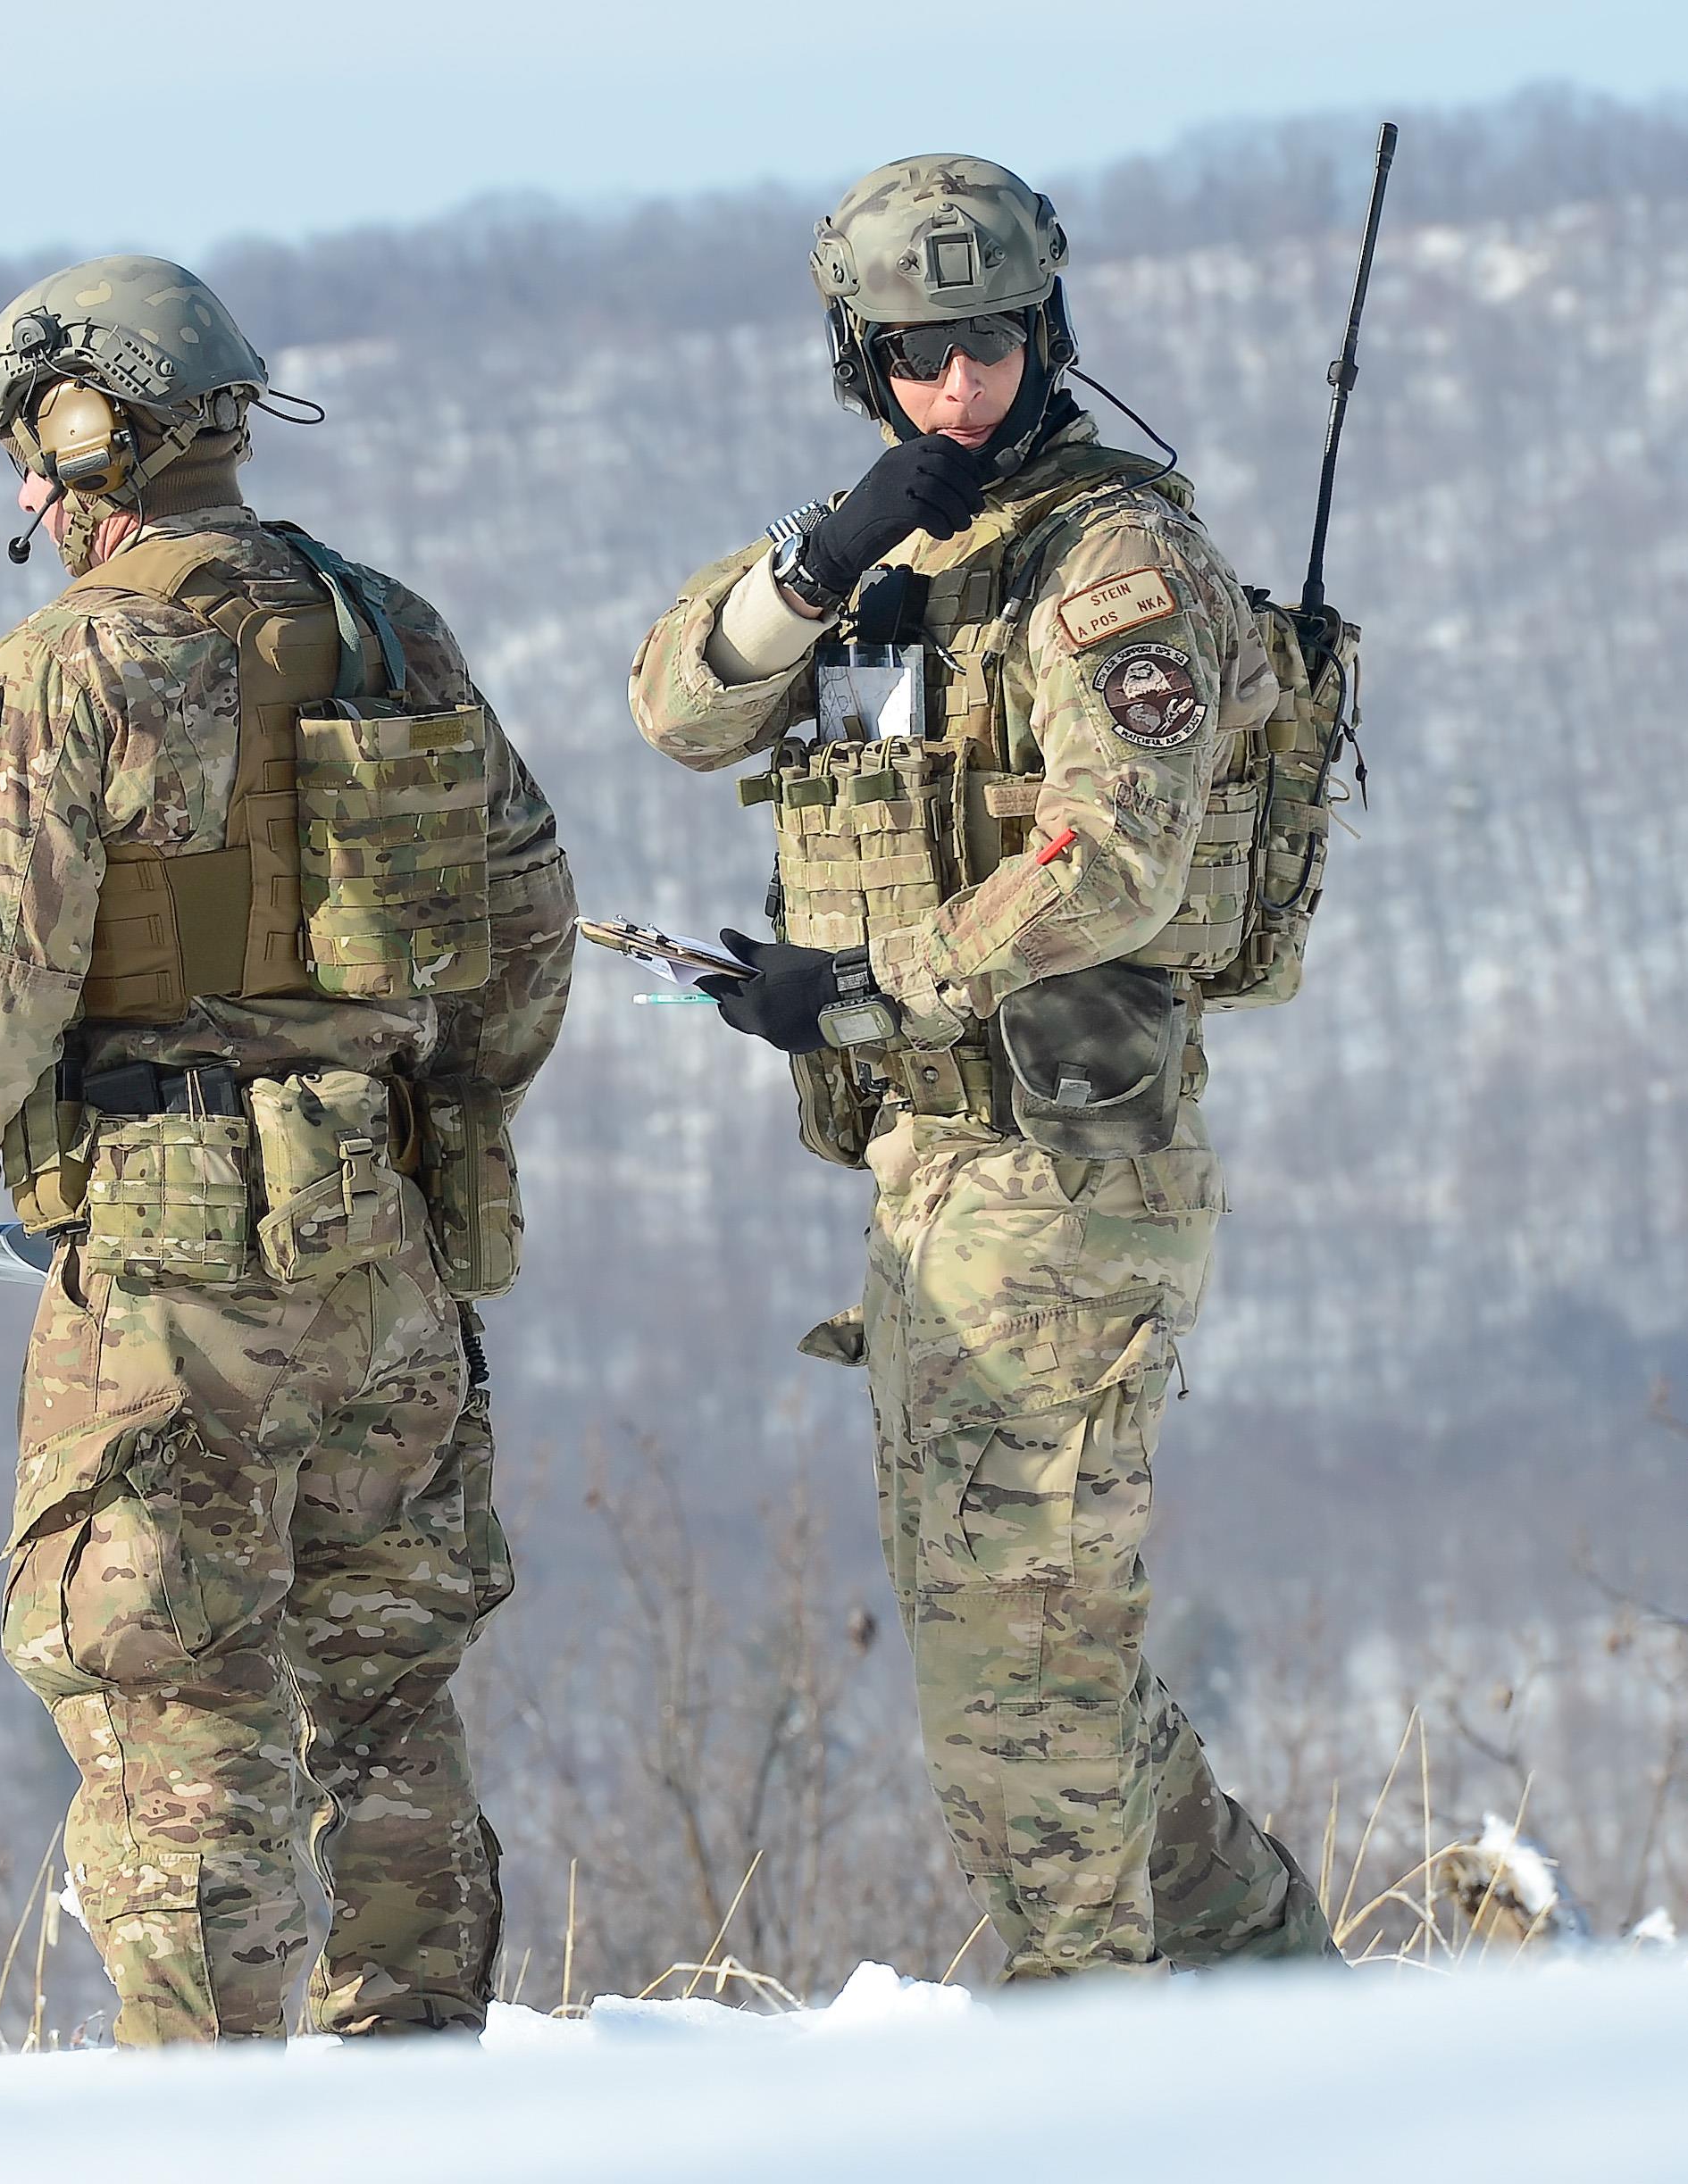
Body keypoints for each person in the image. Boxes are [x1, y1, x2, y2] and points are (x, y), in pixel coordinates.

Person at [0, 255, 574, 2044]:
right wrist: (441, 1122)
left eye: (33, 453)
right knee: (385, 1690)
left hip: (170, 1267)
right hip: (381, 1244)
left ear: (91, 435)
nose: (25, 492)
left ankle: (205, 2124)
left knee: (169, 1701)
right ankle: (413, 2088)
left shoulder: (73, 659)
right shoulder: (389, 627)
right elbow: (528, 922)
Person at [626, 156, 1339, 1980]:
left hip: (1064, 1166)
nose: (963, 389)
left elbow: (1116, 858)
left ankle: (1090, 2062)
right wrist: (818, 559)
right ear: (861, 364)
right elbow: (676, 707)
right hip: (939, 1168)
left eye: (996, 345)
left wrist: (866, 985)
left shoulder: (1112, 563)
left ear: (1050, 333)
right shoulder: (894, 552)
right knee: (1021, 1655)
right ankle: (1277, 1991)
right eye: (922, 355)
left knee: (1015, 1681)